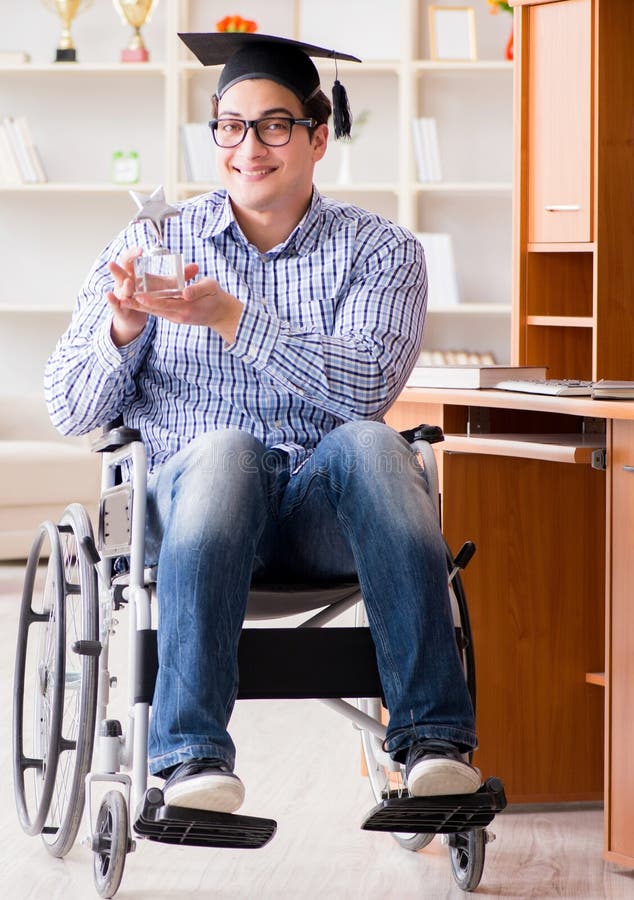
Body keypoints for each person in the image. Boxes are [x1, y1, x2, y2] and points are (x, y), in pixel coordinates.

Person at [44, 31, 479, 814]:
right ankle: (190, 760)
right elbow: (70, 408)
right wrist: (123, 330)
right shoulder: (150, 246)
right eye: (231, 126)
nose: (250, 147)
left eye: (275, 125)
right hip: (190, 510)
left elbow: (369, 383)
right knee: (229, 453)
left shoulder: (381, 253)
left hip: (319, 517)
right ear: (214, 134)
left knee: (375, 442)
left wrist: (232, 317)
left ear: (318, 138)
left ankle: (434, 747)